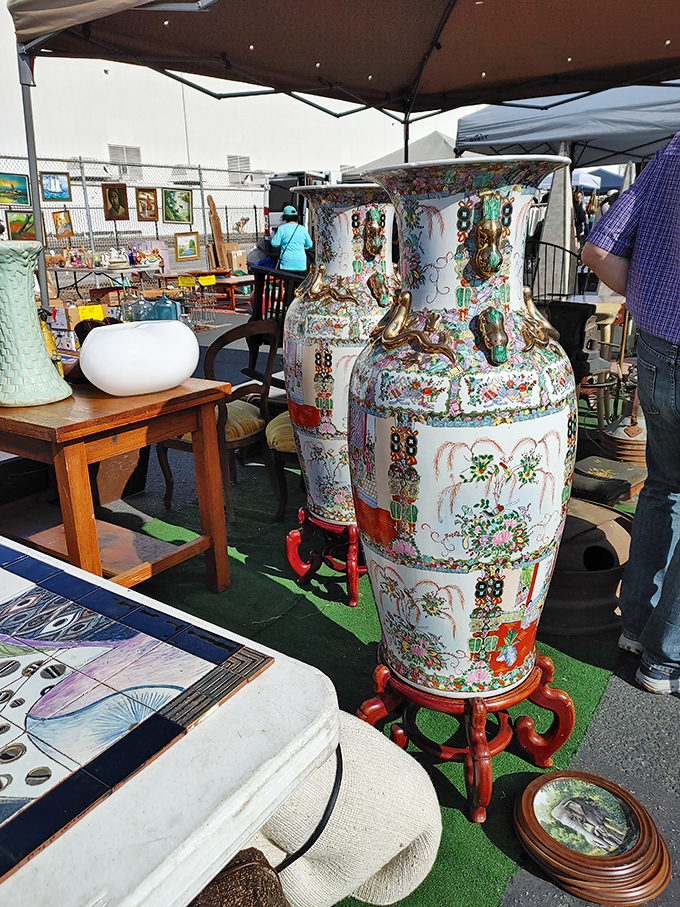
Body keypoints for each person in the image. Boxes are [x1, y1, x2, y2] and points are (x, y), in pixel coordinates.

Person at [581, 134, 680, 694]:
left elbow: (598, 248)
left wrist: (645, 301)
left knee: (665, 484)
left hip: (657, 343)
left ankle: (638, 629)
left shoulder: (670, 153)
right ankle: (665, 658)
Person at [270, 204, 312, 274]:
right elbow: (309, 245)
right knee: (300, 283)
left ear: (285, 217)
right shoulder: (302, 229)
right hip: (301, 263)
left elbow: (275, 244)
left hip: (287, 263)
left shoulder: (281, 228)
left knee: (288, 283)